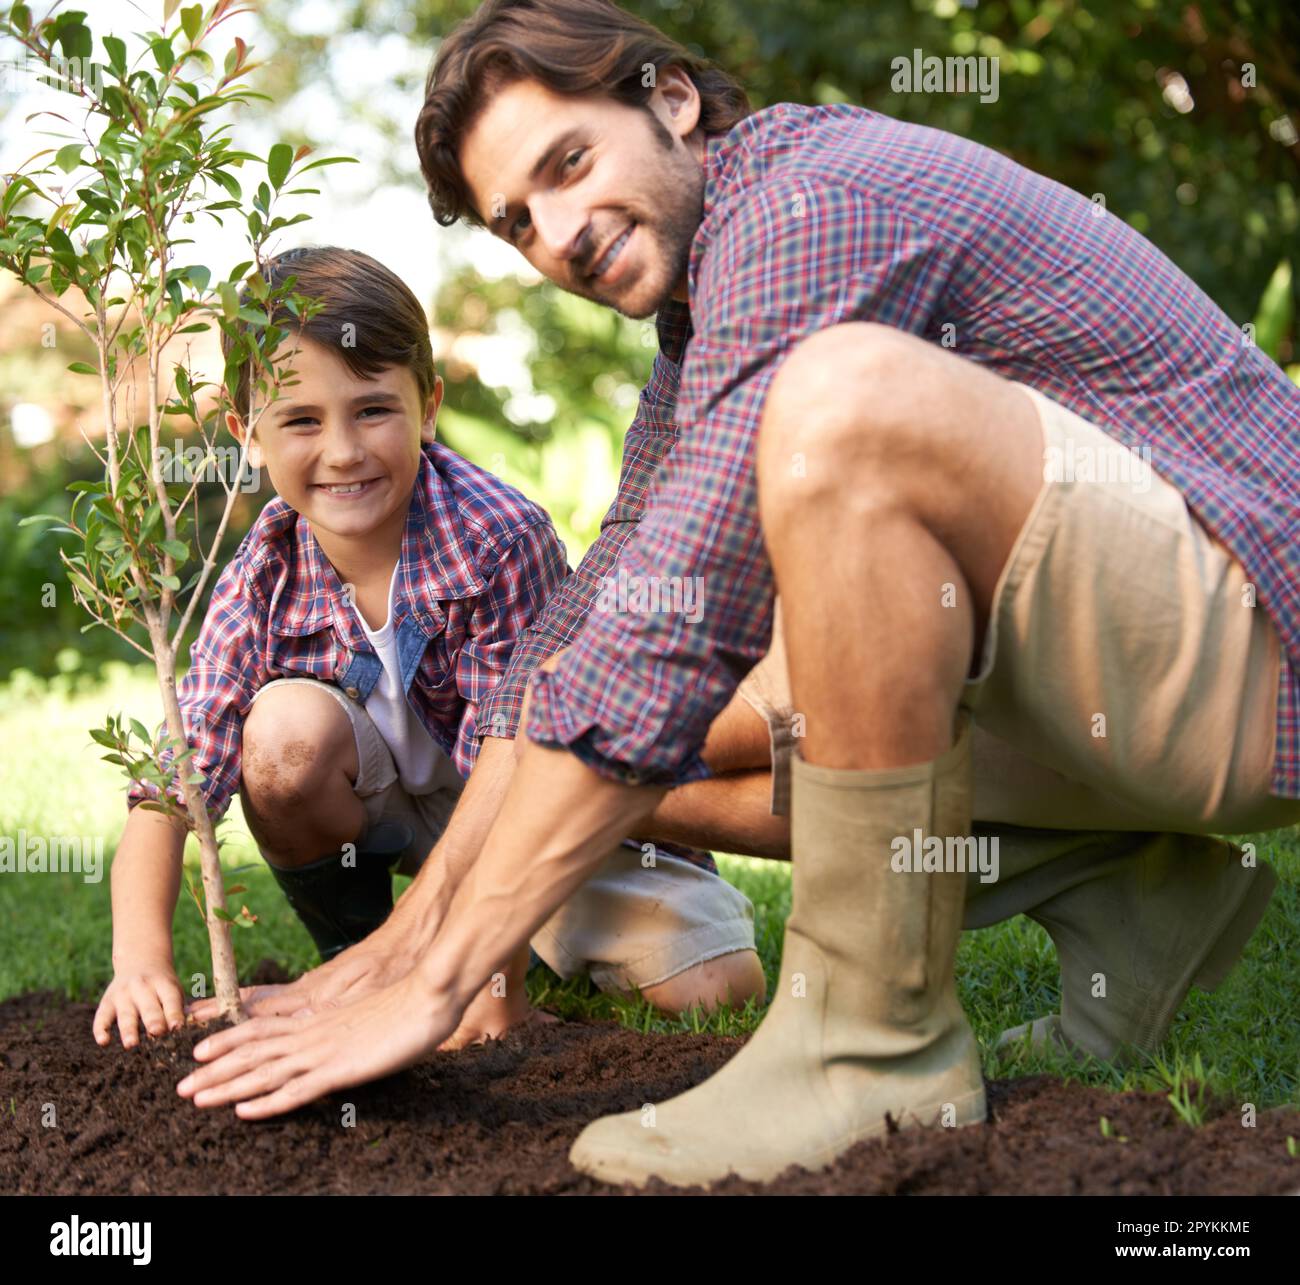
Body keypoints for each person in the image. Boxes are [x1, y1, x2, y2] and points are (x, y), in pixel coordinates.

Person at [178, 0, 1300, 1190]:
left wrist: (448, 978)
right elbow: (592, 618)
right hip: (1132, 675)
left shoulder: (806, 208)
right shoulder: (701, 300)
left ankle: (869, 1048)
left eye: (569, 164)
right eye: (520, 221)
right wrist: (393, 954)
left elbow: (677, 626)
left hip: (1258, 643)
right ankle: (1128, 898)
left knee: (842, 404)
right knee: (654, 716)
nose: (558, 234)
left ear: (667, 99)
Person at [94, 244, 766, 1053]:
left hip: (552, 812)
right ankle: (359, 960)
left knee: (712, 986)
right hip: (415, 824)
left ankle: (507, 939)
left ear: (430, 404)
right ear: (247, 433)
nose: (343, 450)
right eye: (301, 420)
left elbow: (517, 771)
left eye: (373, 409)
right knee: (280, 739)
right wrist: (139, 961)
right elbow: (174, 782)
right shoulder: (262, 568)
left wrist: (484, 986)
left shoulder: (494, 538)